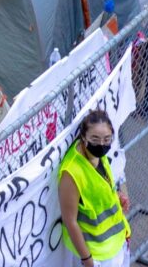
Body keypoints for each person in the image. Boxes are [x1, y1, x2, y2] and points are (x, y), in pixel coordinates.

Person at [59, 110, 132, 267]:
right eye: (95, 139)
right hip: (96, 253)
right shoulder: (71, 172)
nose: (101, 144)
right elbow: (70, 221)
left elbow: (100, 190)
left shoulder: (99, 157)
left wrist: (117, 197)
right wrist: (87, 260)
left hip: (116, 242)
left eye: (107, 139)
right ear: (83, 138)